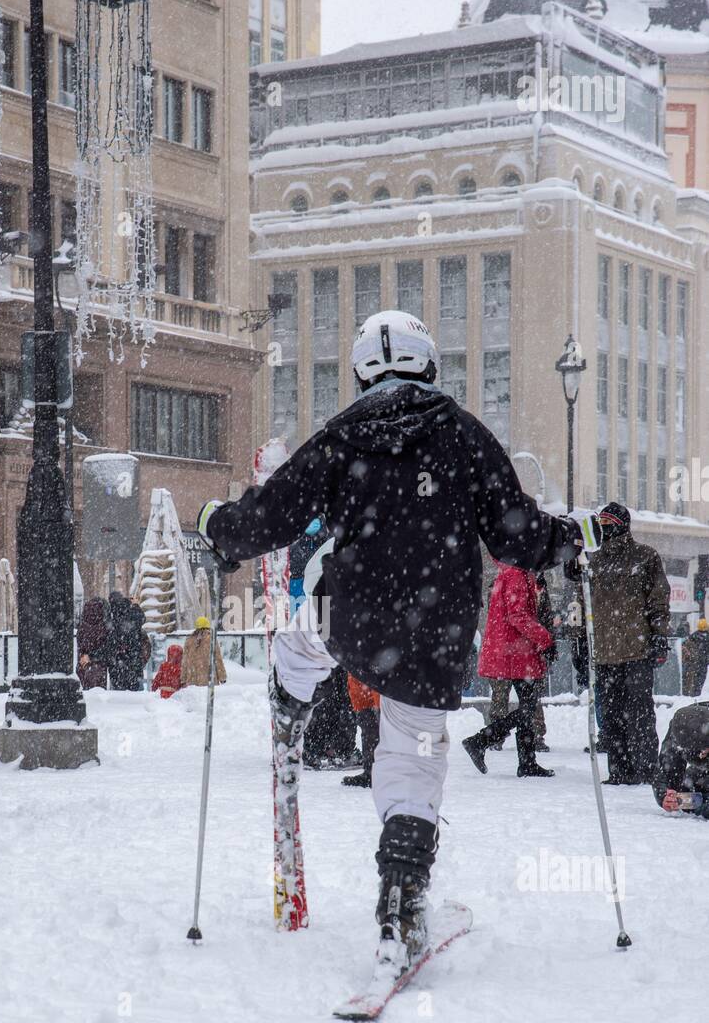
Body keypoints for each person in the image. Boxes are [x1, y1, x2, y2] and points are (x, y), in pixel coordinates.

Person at [197, 308, 582, 971]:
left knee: (313, 629)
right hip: (437, 636)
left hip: (355, 618)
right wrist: (573, 538)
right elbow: (516, 536)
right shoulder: (464, 436)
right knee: (410, 764)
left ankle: (290, 696)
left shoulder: (341, 438)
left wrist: (218, 528)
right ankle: (400, 904)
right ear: (428, 363)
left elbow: (273, 514)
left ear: (359, 371)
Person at [587, 502, 670, 785]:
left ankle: (646, 770)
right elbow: (581, 603)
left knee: (640, 713)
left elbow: (658, 599)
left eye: (608, 524)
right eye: (602, 525)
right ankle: (619, 770)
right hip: (606, 654)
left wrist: (660, 635)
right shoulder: (593, 561)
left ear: (621, 525)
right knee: (611, 717)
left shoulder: (645, 556)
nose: (605, 529)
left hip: (637, 650)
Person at [463, 564, 555, 777]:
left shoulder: (514, 572)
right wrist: (546, 640)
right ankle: (480, 741)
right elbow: (518, 616)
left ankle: (527, 761)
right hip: (515, 652)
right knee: (528, 707)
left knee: (527, 705)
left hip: (513, 650)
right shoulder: (517, 575)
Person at [653, 702, 709, 818]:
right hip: (700, 775)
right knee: (688, 788)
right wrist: (665, 796)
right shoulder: (681, 727)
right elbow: (665, 768)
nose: (702, 755)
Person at [107, 591, 151, 691]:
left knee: (117, 696)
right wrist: (135, 605)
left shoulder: (112, 616)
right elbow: (141, 619)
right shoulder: (132, 613)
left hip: (117, 664)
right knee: (136, 695)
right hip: (134, 662)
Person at [342, 675, 380, 789]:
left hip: (381, 664)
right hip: (360, 666)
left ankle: (387, 771)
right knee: (365, 709)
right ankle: (371, 771)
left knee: (385, 708)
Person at [181, 617, 226, 688]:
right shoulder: (211, 638)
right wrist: (222, 677)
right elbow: (217, 659)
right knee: (208, 697)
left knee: (196, 697)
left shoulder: (189, 639)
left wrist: (183, 678)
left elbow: (184, 661)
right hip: (209, 678)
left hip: (193, 678)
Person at [76, 598, 110, 690]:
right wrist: (92, 657)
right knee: (98, 695)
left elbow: (80, 643)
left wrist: (83, 656)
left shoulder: (82, 625)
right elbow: (106, 647)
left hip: (83, 664)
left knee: (84, 694)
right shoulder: (103, 626)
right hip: (98, 665)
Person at [681, 619, 709, 698]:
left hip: (695, 661)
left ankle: (694, 691)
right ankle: (698, 691)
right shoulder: (707, 636)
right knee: (702, 677)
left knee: (694, 676)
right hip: (704, 661)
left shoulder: (694, 635)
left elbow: (685, 645)